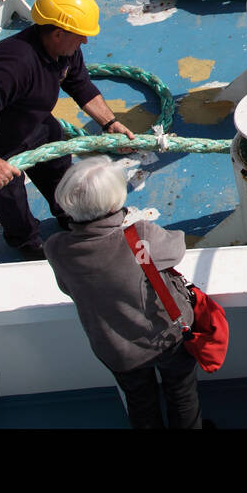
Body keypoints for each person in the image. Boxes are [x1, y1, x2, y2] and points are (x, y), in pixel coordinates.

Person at [0, 0, 135, 259]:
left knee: (60, 169)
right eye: (80, 35)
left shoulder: (65, 51)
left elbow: (80, 84)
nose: (84, 41)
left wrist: (110, 123)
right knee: (9, 196)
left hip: (34, 121)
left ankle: (71, 215)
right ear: (58, 33)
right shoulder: (13, 65)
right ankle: (26, 241)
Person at [44, 157, 203, 429]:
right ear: (115, 201)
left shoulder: (56, 247)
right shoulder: (138, 235)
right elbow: (176, 248)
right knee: (181, 393)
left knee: (140, 402)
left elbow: (67, 287)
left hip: (116, 350)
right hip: (167, 337)